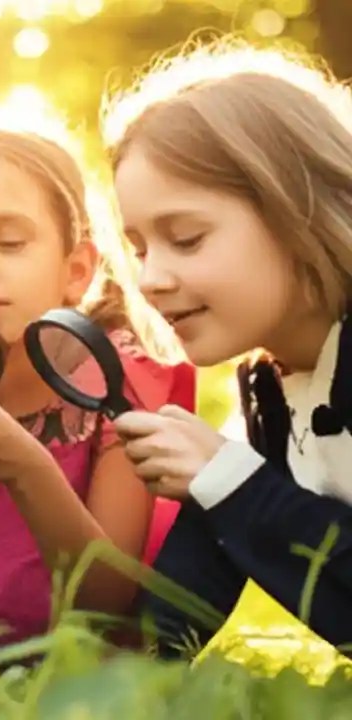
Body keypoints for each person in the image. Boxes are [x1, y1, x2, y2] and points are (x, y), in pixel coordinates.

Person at [0, 125, 195, 647]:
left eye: (9, 243)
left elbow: (106, 597)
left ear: (76, 270)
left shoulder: (119, 387)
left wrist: (27, 468)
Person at [104, 39, 352, 657]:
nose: (151, 277)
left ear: (298, 212)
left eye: (185, 238)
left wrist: (229, 480)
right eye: (139, 248)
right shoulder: (268, 396)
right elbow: (184, 599)